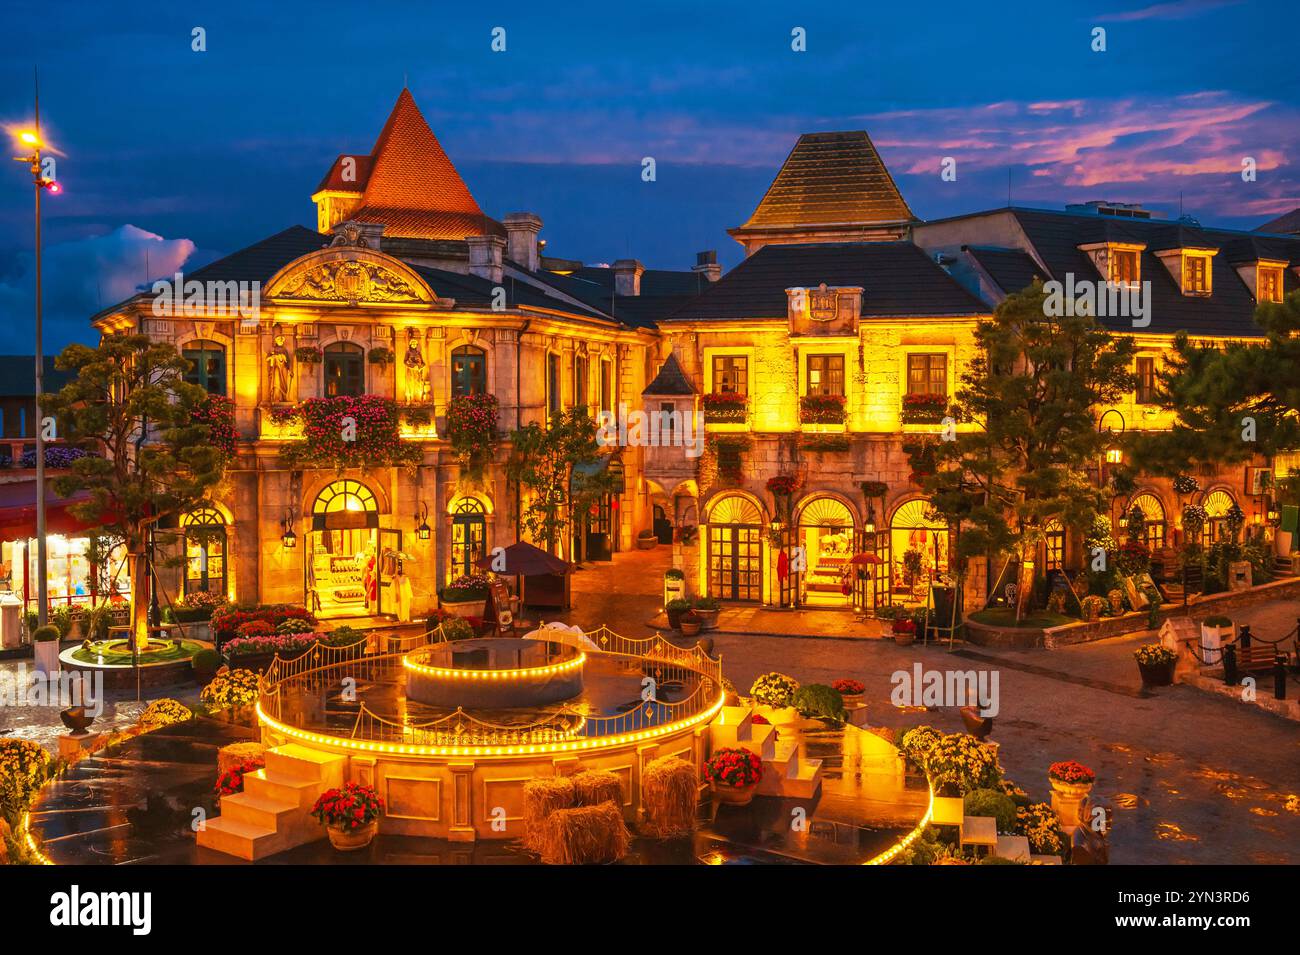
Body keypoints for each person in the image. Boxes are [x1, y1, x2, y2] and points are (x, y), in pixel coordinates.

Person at [266, 333, 292, 403]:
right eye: (279, 340)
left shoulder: (284, 350)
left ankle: (283, 397)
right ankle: (276, 397)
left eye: (281, 340)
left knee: (283, 383)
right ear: (276, 341)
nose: (280, 341)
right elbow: (267, 359)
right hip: (276, 367)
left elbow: (288, 361)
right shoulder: (273, 349)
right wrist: (274, 356)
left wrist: (290, 370)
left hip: (284, 369)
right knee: (276, 380)